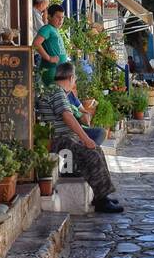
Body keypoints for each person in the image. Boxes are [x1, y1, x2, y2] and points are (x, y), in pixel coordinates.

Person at [36, 62, 122, 213]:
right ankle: (102, 200)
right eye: (74, 79)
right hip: (59, 140)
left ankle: (101, 195)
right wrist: (85, 138)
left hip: (63, 138)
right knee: (92, 155)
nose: (74, 82)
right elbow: (67, 116)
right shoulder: (57, 92)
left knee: (97, 151)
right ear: (70, 77)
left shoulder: (57, 91)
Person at [34, 2, 68, 85]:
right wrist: (49, 58)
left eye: (62, 18)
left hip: (59, 71)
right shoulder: (47, 29)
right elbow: (35, 44)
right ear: (49, 16)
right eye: (58, 17)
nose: (61, 20)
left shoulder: (55, 30)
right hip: (51, 71)